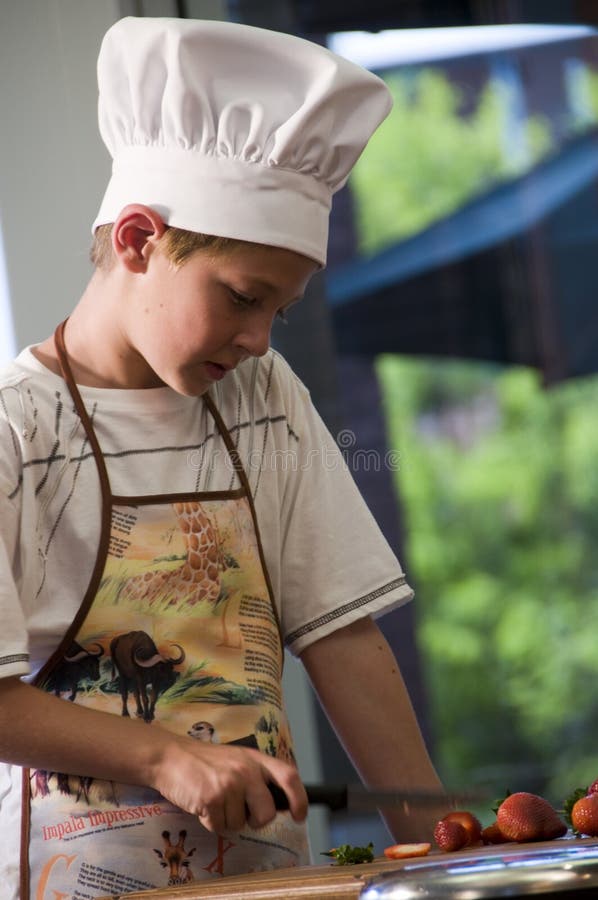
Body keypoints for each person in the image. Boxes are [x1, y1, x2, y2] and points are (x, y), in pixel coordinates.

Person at [0, 15, 445, 899]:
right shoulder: (20, 432)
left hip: (271, 881)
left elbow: (342, 637)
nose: (256, 339)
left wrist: (443, 846)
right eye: (242, 297)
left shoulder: (264, 399)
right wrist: (165, 756)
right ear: (137, 239)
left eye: (279, 310)